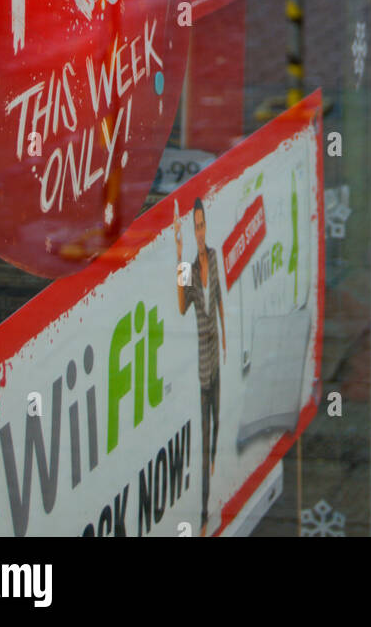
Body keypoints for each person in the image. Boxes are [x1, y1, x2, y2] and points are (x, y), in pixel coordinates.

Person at [174, 197, 226, 535]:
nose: (200, 231)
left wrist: (227, 338)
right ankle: (205, 513)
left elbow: (220, 297)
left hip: (217, 356)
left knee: (218, 425)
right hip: (203, 367)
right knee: (205, 434)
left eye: (202, 224)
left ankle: (217, 483)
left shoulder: (216, 257)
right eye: (195, 227)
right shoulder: (189, 271)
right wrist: (178, 257)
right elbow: (180, 308)